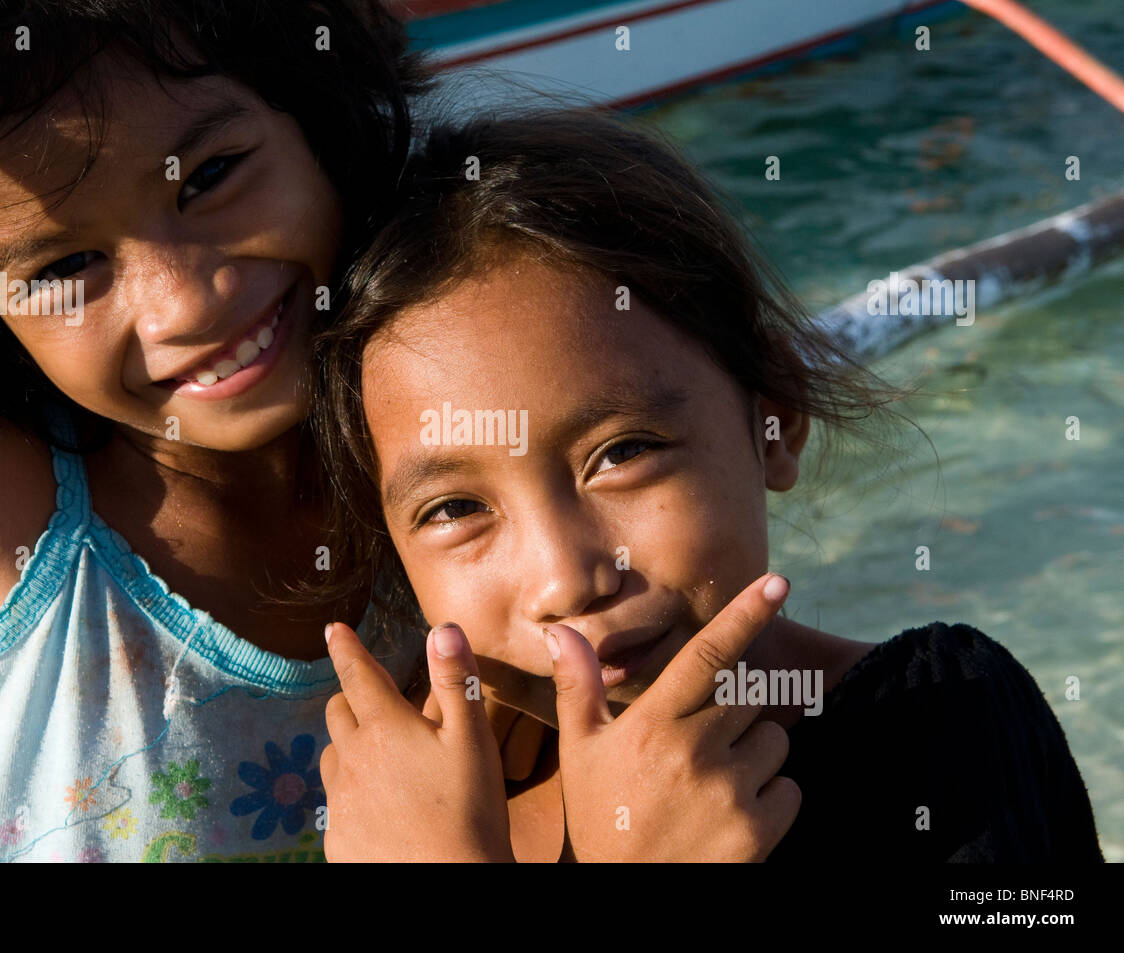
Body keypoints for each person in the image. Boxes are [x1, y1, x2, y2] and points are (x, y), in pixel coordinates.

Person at [312, 108, 1106, 862]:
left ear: (775, 420)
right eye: (455, 508)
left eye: (622, 453)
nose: (566, 580)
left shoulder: (943, 728)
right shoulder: (421, 824)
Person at [0, 0, 431, 862]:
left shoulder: (455, 429)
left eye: (211, 176)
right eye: (67, 266)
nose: (185, 303)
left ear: (318, 118)